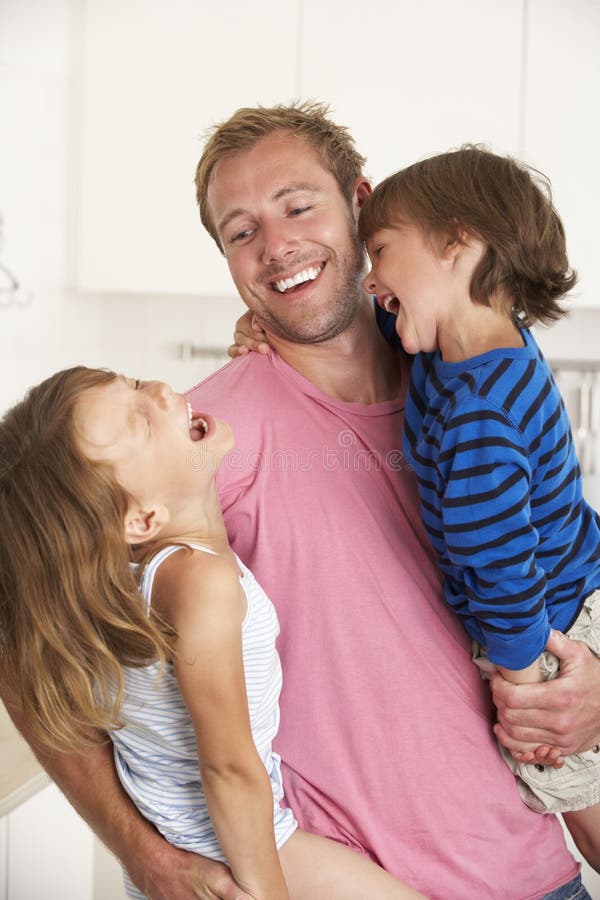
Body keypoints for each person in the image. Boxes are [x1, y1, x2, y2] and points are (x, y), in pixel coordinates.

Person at [2, 101, 600, 899]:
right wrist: (144, 852)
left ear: (361, 203)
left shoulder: (466, 374)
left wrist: (589, 686)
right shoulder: (201, 443)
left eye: (297, 205)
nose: (277, 246)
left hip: (542, 870)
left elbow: (558, 556)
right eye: (240, 231)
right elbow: (23, 633)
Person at [0, 365, 424, 900]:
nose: (156, 390)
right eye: (141, 422)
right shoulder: (201, 582)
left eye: (132, 384)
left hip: (177, 856)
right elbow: (228, 766)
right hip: (237, 854)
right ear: (141, 520)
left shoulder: (115, 591)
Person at [357, 145, 600, 870]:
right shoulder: (480, 348)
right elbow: (384, 319)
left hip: (548, 635)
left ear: (459, 240)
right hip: (573, 592)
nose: (371, 277)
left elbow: (503, 569)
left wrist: (523, 690)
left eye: (380, 250)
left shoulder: (477, 414)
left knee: (587, 820)